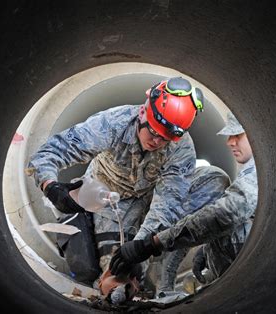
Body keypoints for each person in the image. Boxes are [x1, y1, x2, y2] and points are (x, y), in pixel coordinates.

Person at [25, 77, 229, 297]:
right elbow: (51, 153)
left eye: (165, 138)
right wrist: (51, 187)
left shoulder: (181, 149)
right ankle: (137, 276)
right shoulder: (114, 123)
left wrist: (142, 247)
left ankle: (165, 276)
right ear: (143, 114)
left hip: (152, 195)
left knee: (214, 179)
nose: (157, 142)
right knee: (115, 276)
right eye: (153, 132)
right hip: (110, 198)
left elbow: (168, 205)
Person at [108, 111, 258, 290]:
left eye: (237, 135)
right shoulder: (250, 173)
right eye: (230, 135)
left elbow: (227, 213)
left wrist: (153, 243)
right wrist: (209, 248)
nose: (230, 142)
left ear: (256, 135)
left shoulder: (254, 174)